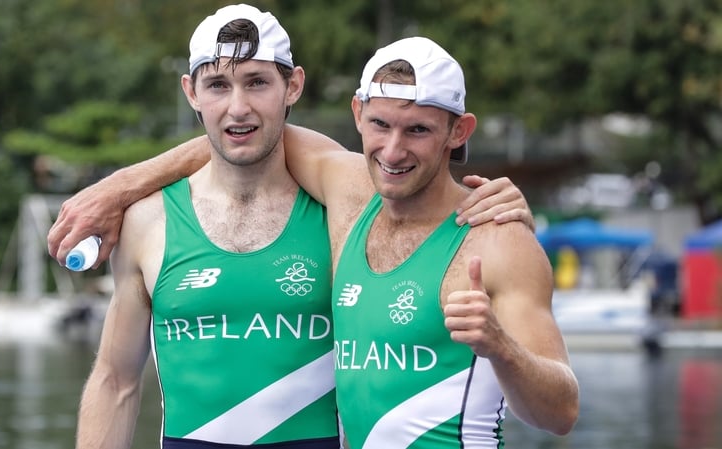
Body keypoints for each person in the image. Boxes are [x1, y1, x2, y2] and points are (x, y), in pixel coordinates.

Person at [58, 5, 537, 449]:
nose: (239, 106)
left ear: (293, 87)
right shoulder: (148, 220)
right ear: (191, 92)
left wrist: (500, 214)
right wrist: (122, 187)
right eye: (218, 86)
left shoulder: (345, 202)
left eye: (257, 82)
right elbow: (115, 383)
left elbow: (427, 189)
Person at [283, 37, 580, 447]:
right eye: (380, 124)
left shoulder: (496, 240)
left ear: (459, 130)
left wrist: (500, 346)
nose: (393, 150)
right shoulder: (349, 198)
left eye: (417, 130)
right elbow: (242, 133)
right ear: (357, 112)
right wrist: (157, 174)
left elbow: (562, 412)